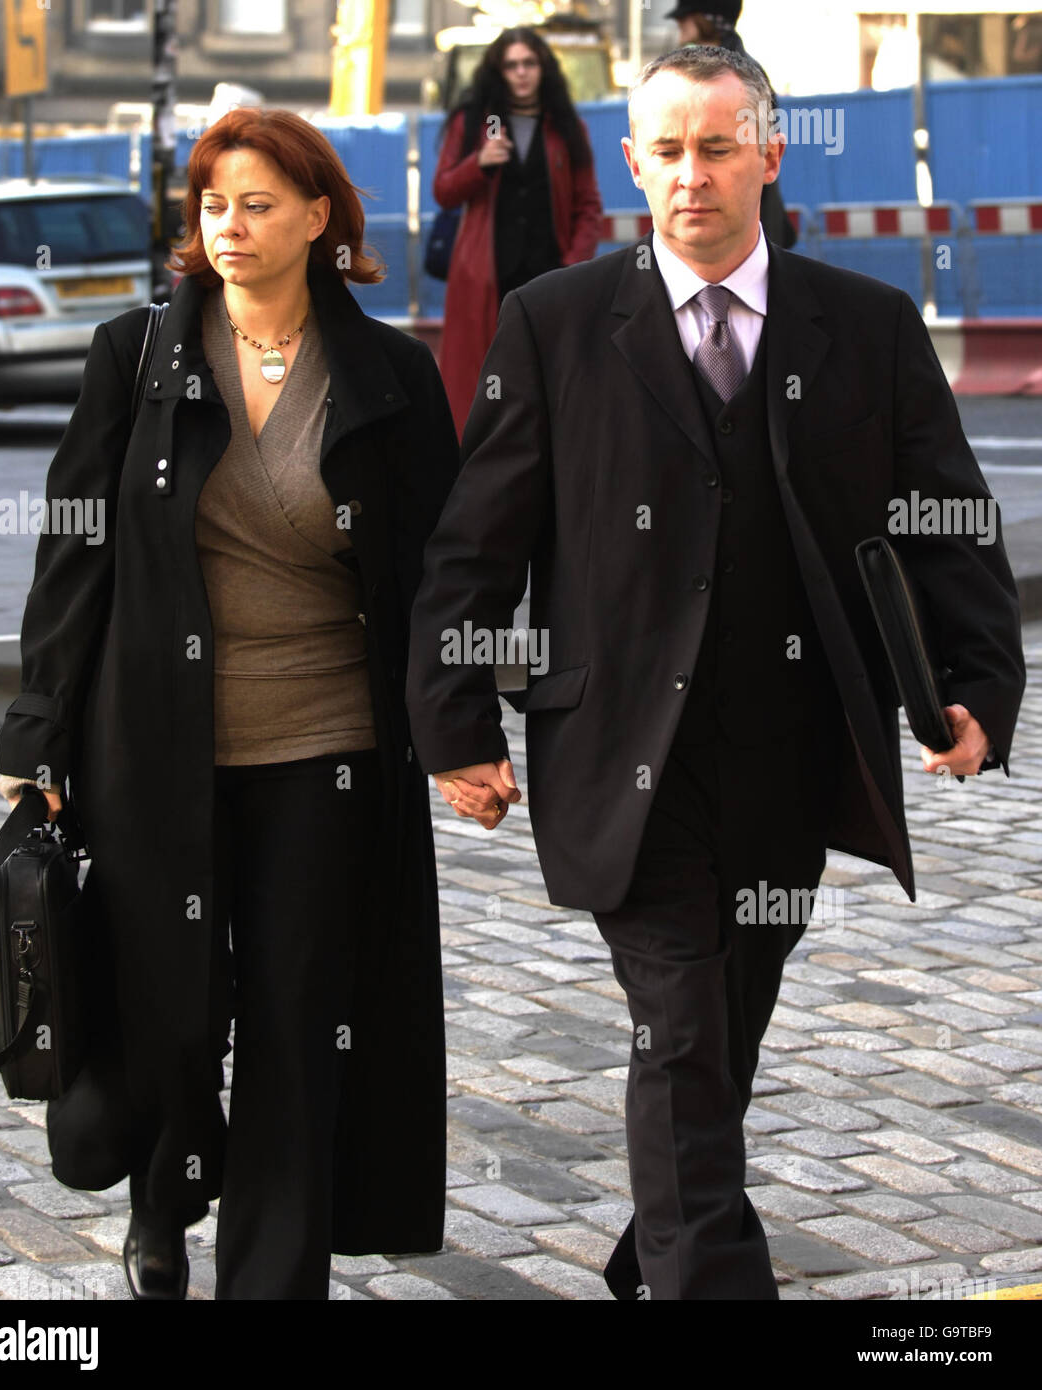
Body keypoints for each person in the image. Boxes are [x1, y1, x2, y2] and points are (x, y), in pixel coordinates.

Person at [404, 45, 1025, 1299]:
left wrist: (979, 688)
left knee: (723, 1026)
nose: (692, 175)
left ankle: (660, 1245)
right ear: (633, 163)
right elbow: (477, 540)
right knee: (683, 1025)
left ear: (769, 154)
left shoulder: (864, 325)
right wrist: (454, 718)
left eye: (718, 146)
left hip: (797, 752)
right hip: (622, 752)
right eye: (667, 151)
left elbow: (946, 519)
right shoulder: (557, 325)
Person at [0, 106, 458, 1300]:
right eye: (213, 205)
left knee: (300, 1021)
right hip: (152, 745)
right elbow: (76, 550)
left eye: (259, 204)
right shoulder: (135, 356)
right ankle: (163, 1194)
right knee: (173, 1005)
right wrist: (37, 726)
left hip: (327, 746)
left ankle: (271, 1280)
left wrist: (462, 728)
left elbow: (437, 573)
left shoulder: (392, 374)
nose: (232, 226)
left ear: (320, 219)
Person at [433, 25, 603, 439]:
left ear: (544, 68)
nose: (522, 73)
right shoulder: (473, 122)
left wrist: (573, 265)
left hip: (550, 272)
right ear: (498, 71)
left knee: (550, 377)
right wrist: (480, 162)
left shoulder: (566, 126)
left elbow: (588, 205)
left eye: (529, 63)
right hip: (485, 277)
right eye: (512, 65)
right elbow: (444, 191)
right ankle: (480, 461)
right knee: (484, 379)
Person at [665, 1, 796, 250]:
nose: (678, 23)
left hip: (741, 232)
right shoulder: (727, 71)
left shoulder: (741, 78)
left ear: (708, 18)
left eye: (717, 151)